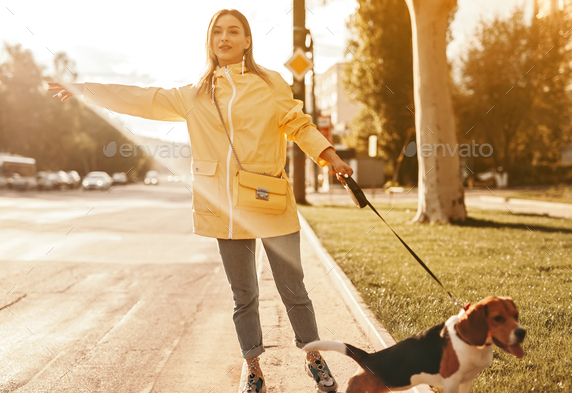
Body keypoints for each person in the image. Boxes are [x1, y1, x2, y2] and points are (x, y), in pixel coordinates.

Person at [48, 8, 353, 393]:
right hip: (224, 209)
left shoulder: (271, 83)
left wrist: (331, 158)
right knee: (244, 295)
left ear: (247, 40)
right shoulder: (195, 93)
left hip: (270, 202)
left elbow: (299, 126)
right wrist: (85, 90)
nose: (224, 38)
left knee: (293, 290)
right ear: (210, 42)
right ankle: (253, 368)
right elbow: (142, 99)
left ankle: (313, 356)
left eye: (233, 31)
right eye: (217, 32)